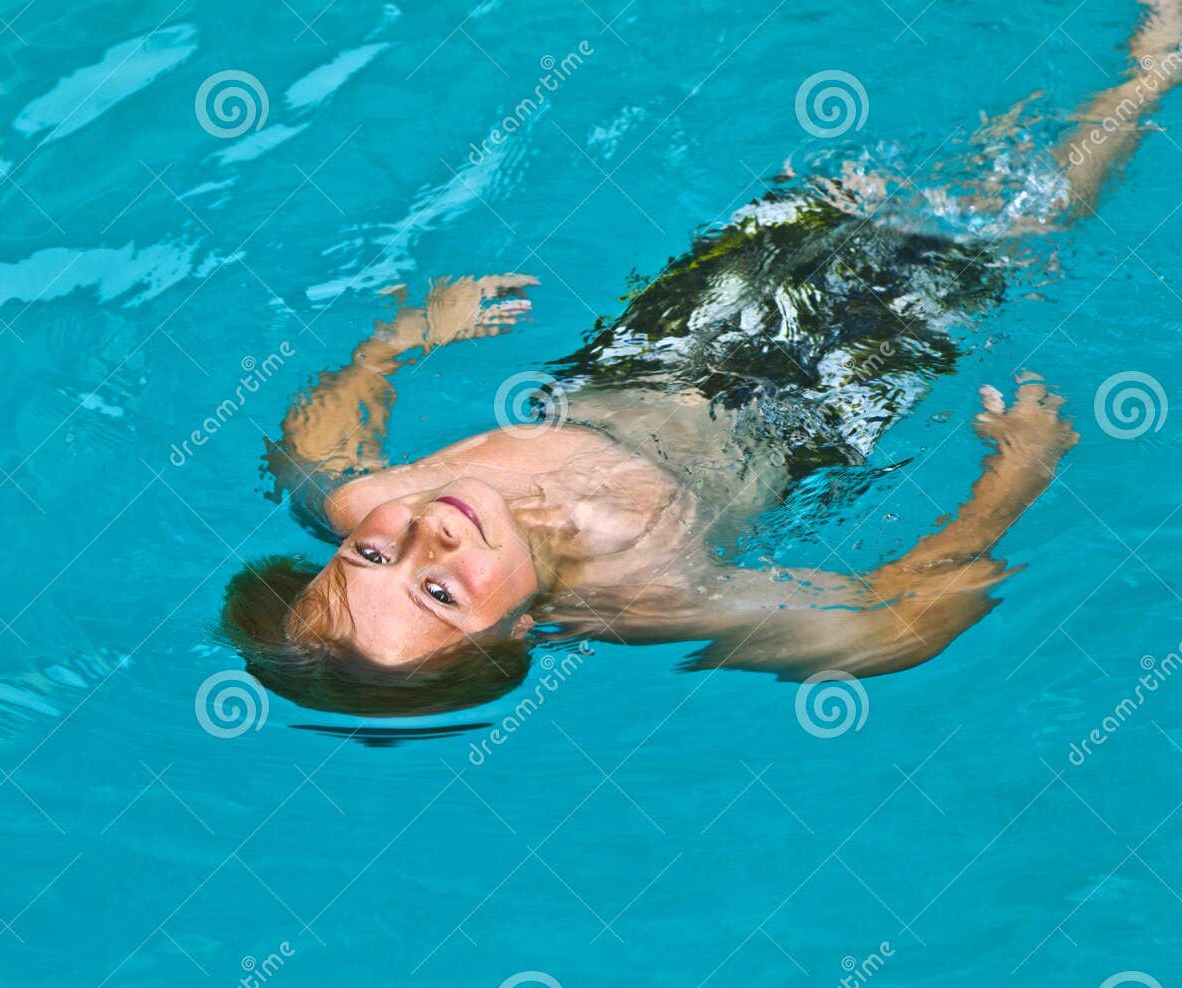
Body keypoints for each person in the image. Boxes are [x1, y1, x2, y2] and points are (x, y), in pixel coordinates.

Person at [220, 0, 1181, 716]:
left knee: (833, 194)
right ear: (515, 634)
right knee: (1015, 220)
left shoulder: (376, 494)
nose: (422, 535)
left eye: (371, 551)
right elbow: (895, 624)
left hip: (659, 341)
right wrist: (1014, 479)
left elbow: (308, 447)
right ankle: (1149, 73)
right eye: (438, 590)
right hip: (810, 407)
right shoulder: (649, 596)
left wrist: (396, 341)